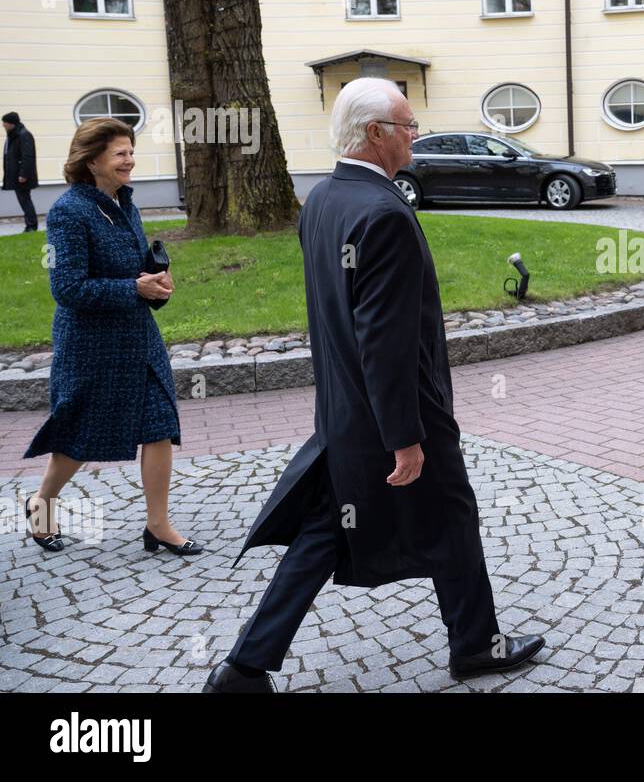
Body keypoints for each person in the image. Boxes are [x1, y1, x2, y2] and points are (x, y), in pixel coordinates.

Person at [205, 78, 545, 693]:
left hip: (343, 410)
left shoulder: (323, 200)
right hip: (397, 413)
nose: (415, 136)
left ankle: (244, 669)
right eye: (407, 126)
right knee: (451, 516)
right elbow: (385, 342)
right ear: (374, 134)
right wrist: (406, 439)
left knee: (327, 529)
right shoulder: (384, 213)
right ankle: (475, 646)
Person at [21, 118, 198, 555]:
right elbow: (67, 288)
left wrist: (156, 283)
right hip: (90, 344)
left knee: (159, 425)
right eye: (120, 153)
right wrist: (132, 288)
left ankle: (158, 524)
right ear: (92, 160)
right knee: (80, 432)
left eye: (130, 151)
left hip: (138, 337)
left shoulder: (126, 203)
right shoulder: (68, 211)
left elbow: (136, 270)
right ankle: (42, 503)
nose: (129, 160)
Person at [3, 111, 39, 232]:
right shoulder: (13, 135)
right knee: (23, 200)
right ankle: (30, 224)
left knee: (25, 200)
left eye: (5, 123)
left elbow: (28, 156)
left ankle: (31, 225)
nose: (3, 125)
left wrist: (23, 174)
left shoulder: (23, 135)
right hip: (16, 175)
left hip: (22, 176)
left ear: (12, 123)